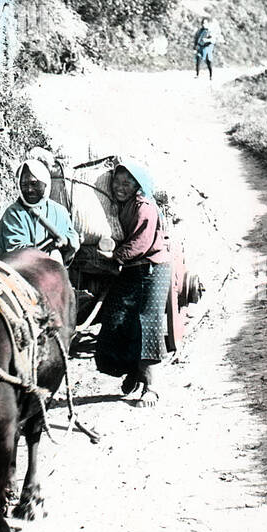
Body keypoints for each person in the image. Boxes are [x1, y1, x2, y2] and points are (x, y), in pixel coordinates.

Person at [94, 160, 174, 408]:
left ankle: (151, 386)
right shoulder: (116, 208)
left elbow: (140, 244)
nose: (121, 186)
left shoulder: (144, 208)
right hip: (130, 270)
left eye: (127, 182)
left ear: (137, 186)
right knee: (116, 318)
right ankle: (131, 369)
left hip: (152, 269)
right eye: (117, 181)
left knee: (148, 322)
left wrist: (114, 256)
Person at [0, 157, 79, 265]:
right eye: (24, 185)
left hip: (55, 272)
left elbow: (73, 237)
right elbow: (17, 252)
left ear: (45, 183)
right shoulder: (13, 214)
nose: (29, 189)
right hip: (20, 275)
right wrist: (50, 244)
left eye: (34, 184)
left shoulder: (59, 211)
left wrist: (65, 242)